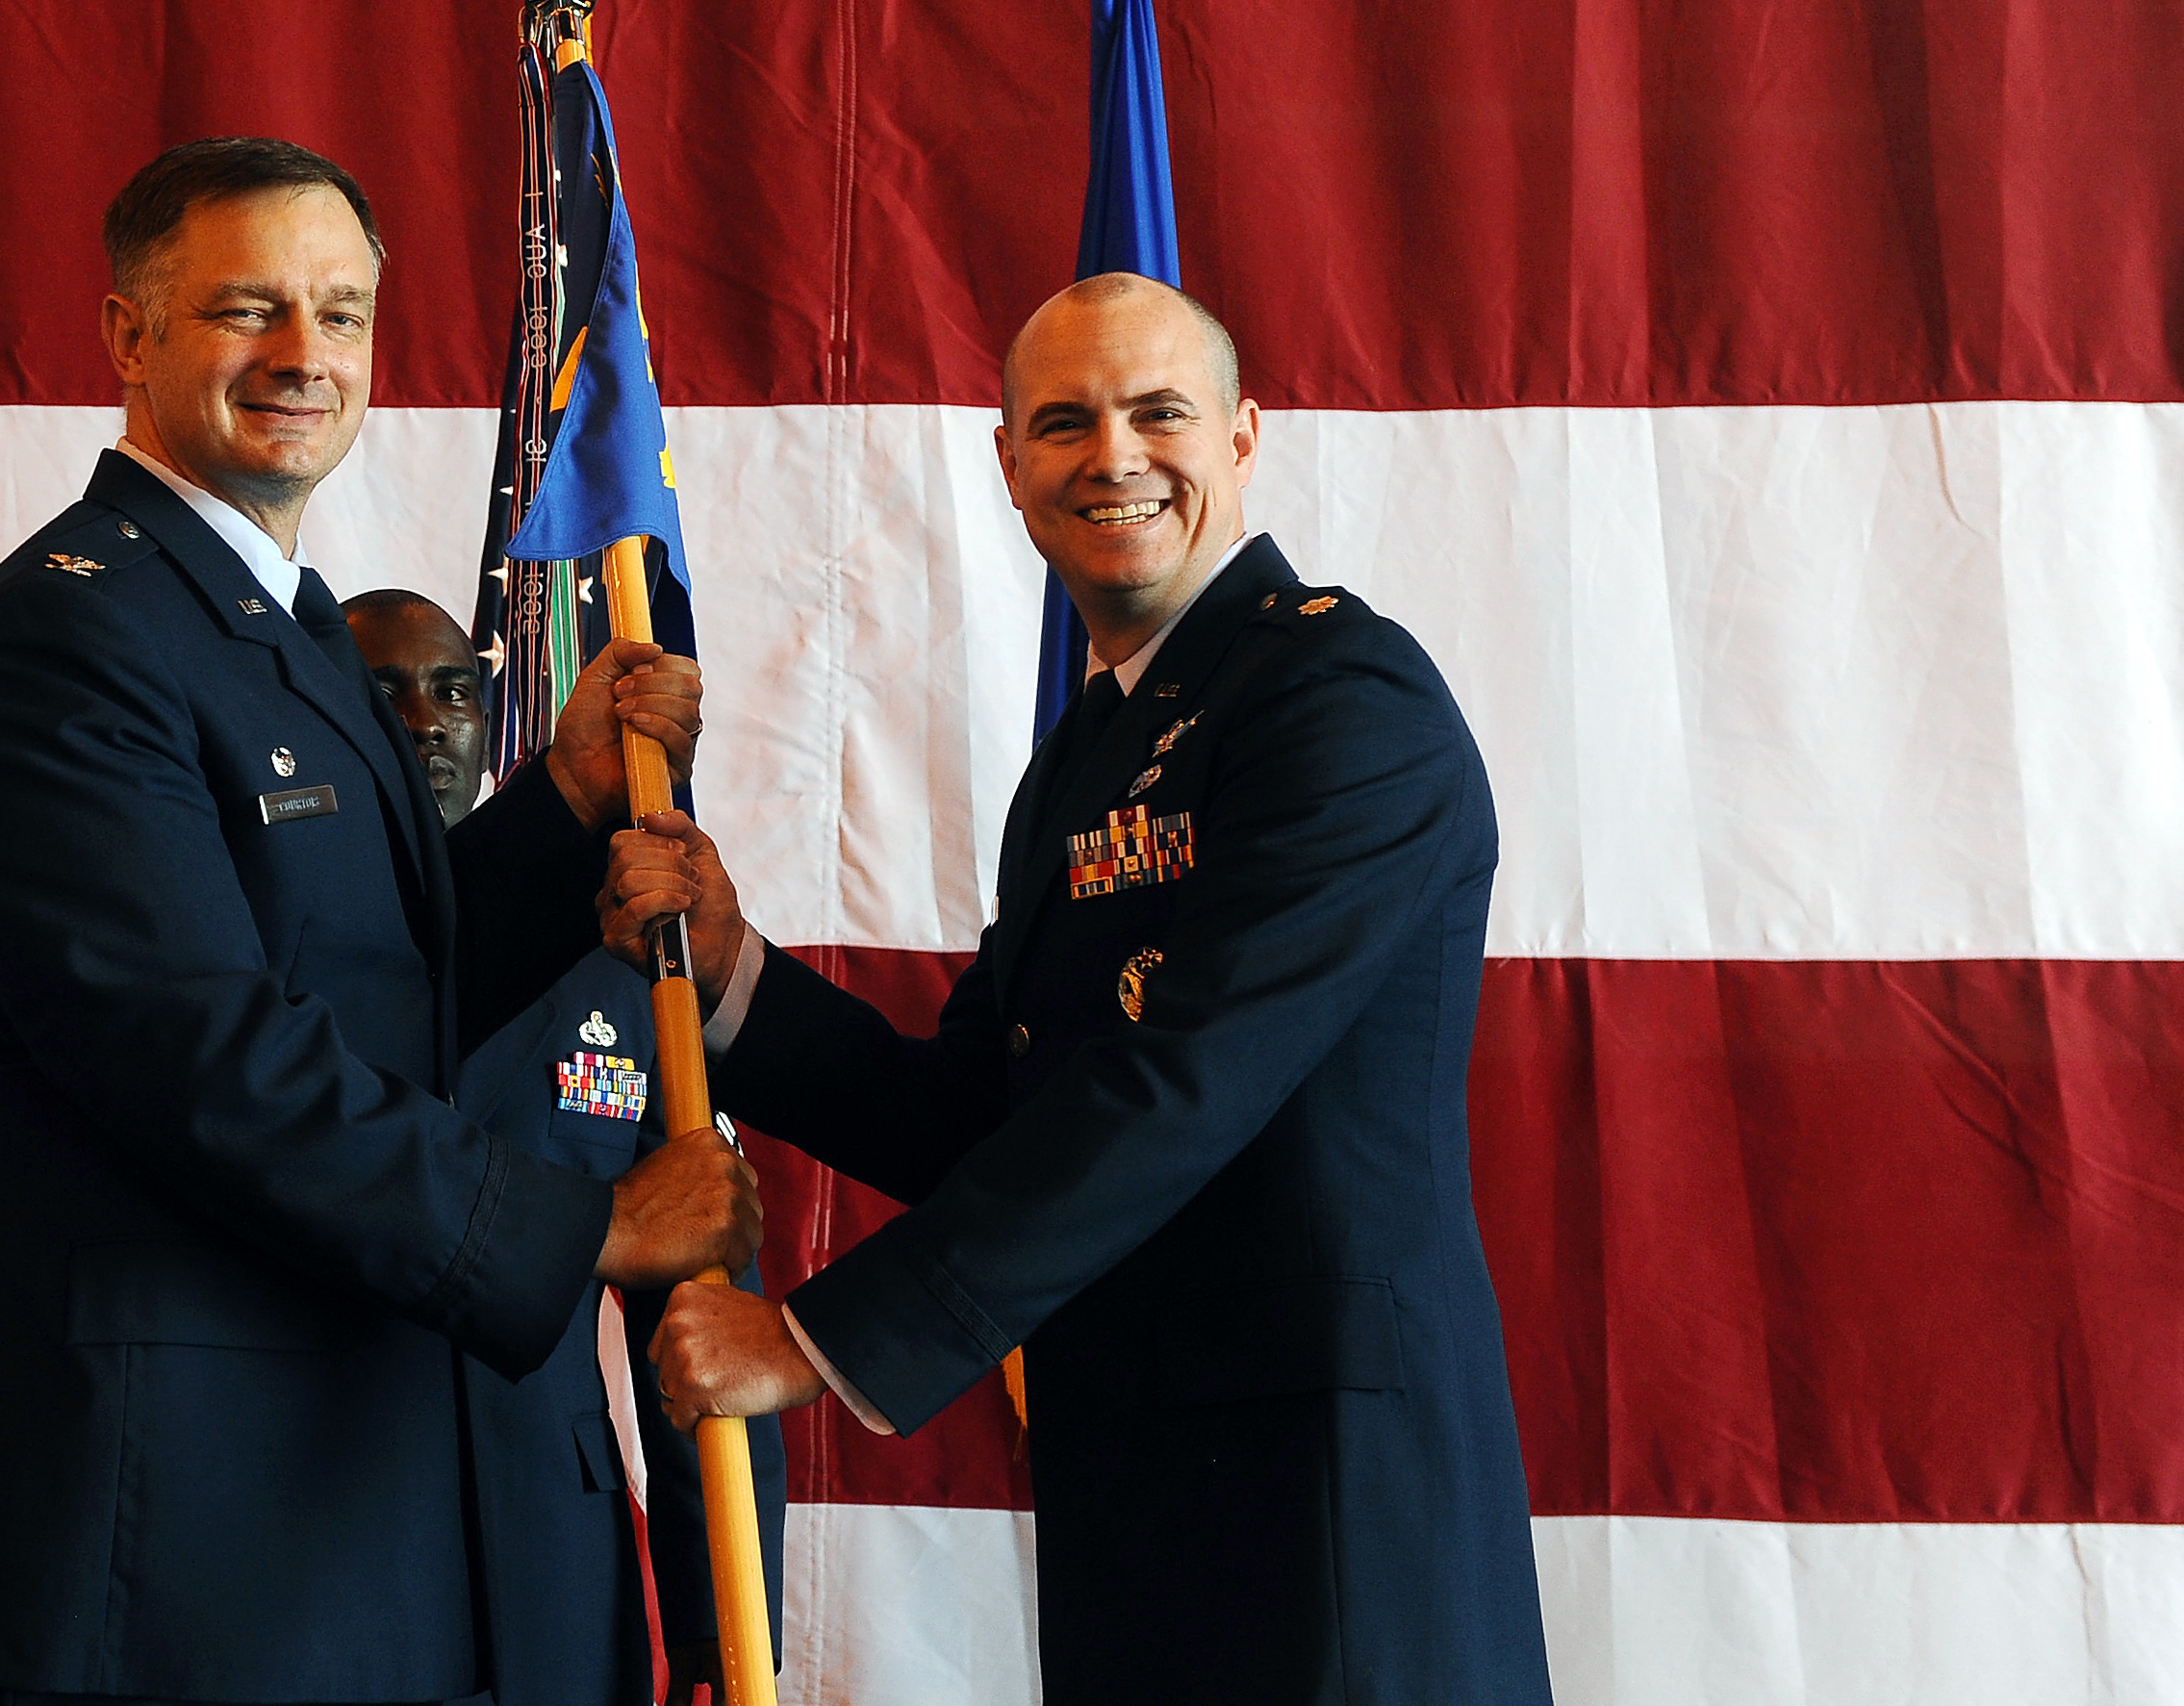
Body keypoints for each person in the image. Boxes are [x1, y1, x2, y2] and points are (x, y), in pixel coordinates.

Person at [0, 138, 761, 1706]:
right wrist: (589, 1227)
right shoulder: (66, 643)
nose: (307, 355)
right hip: (178, 1557)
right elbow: (203, 1058)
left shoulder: (273, 627)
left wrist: (557, 808)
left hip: (345, 1538)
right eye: (249, 308)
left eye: (343, 313)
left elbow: (381, 989)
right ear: (128, 334)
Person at [607, 273, 1552, 1704]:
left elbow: (1179, 1088)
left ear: (1242, 437)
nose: (1112, 455)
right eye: (1063, 422)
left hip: (1327, 1506)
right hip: (1142, 1488)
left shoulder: (1344, 703)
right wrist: (734, 970)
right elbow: (986, 1106)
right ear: (1009, 462)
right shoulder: (1089, 754)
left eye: (1157, 411)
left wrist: (815, 1337)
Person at [343, 588, 786, 1706]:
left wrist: (722, 1627)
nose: (427, 719)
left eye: (454, 691)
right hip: (333, 1528)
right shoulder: (269, 959)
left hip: (551, 1549)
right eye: (380, 693)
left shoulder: (627, 968)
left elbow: (701, 1323)